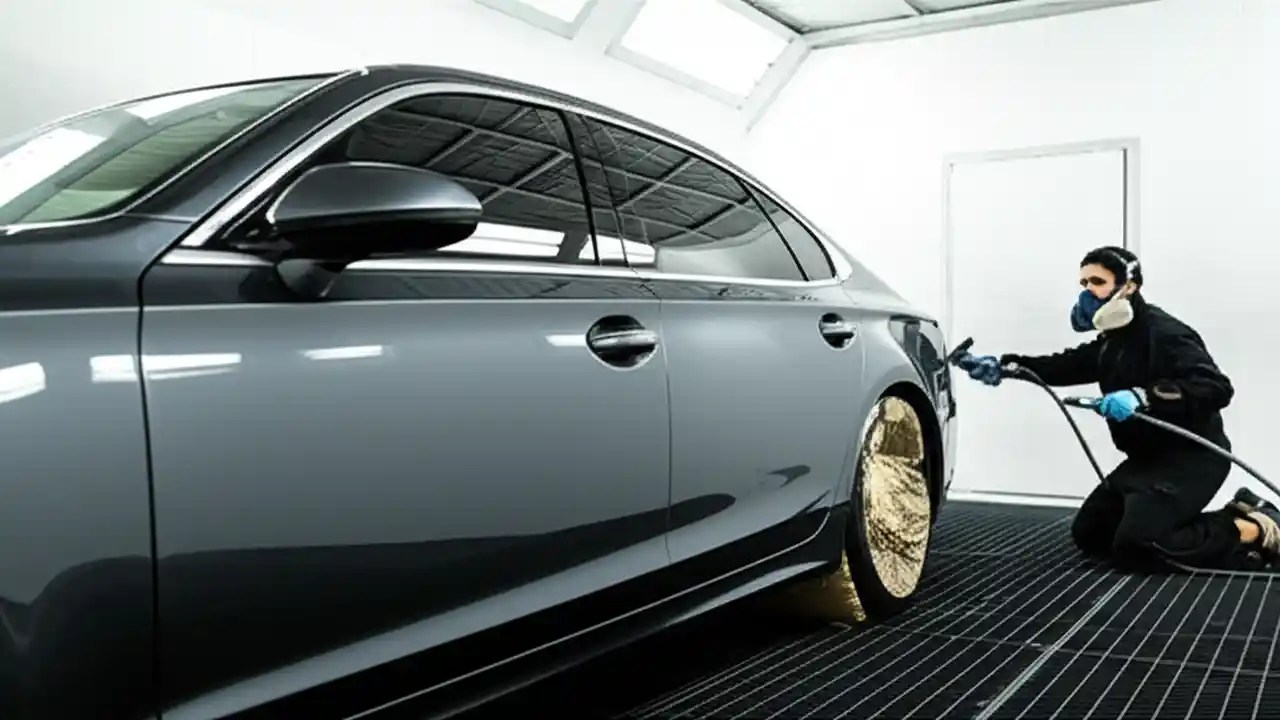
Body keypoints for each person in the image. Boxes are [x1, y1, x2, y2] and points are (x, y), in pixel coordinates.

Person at [954, 245, 1280, 572]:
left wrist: (1144, 396)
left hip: (1192, 459)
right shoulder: (1114, 339)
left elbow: (1215, 387)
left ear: (1129, 286)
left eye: (1097, 282)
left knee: (1139, 546)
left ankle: (1255, 525)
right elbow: (1067, 364)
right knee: (1091, 535)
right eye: (1083, 284)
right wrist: (1007, 366)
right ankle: (1176, 519)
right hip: (1146, 462)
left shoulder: (1164, 332)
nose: (1087, 293)